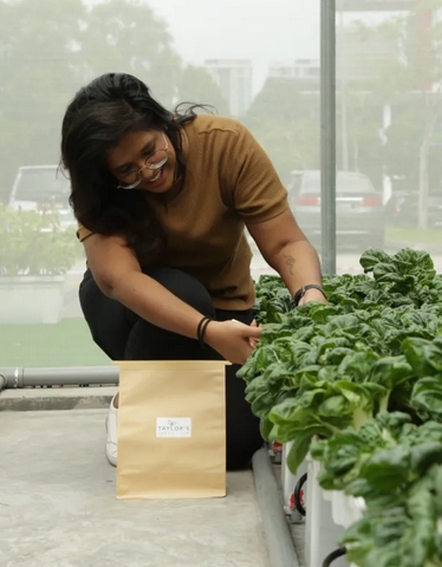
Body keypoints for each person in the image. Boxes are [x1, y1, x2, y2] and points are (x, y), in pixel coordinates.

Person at [59, 72, 328, 471]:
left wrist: (309, 295)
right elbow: (120, 279)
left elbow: (286, 243)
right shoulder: (98, 189)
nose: (148, 173)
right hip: (131, 310)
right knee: (184, 291)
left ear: (162, 120)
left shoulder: (225, 144)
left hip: (224, 310)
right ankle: (131, 400)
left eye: (151, 152)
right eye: (127, 171)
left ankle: (167, 400)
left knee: (236, 447)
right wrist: (208, 332)